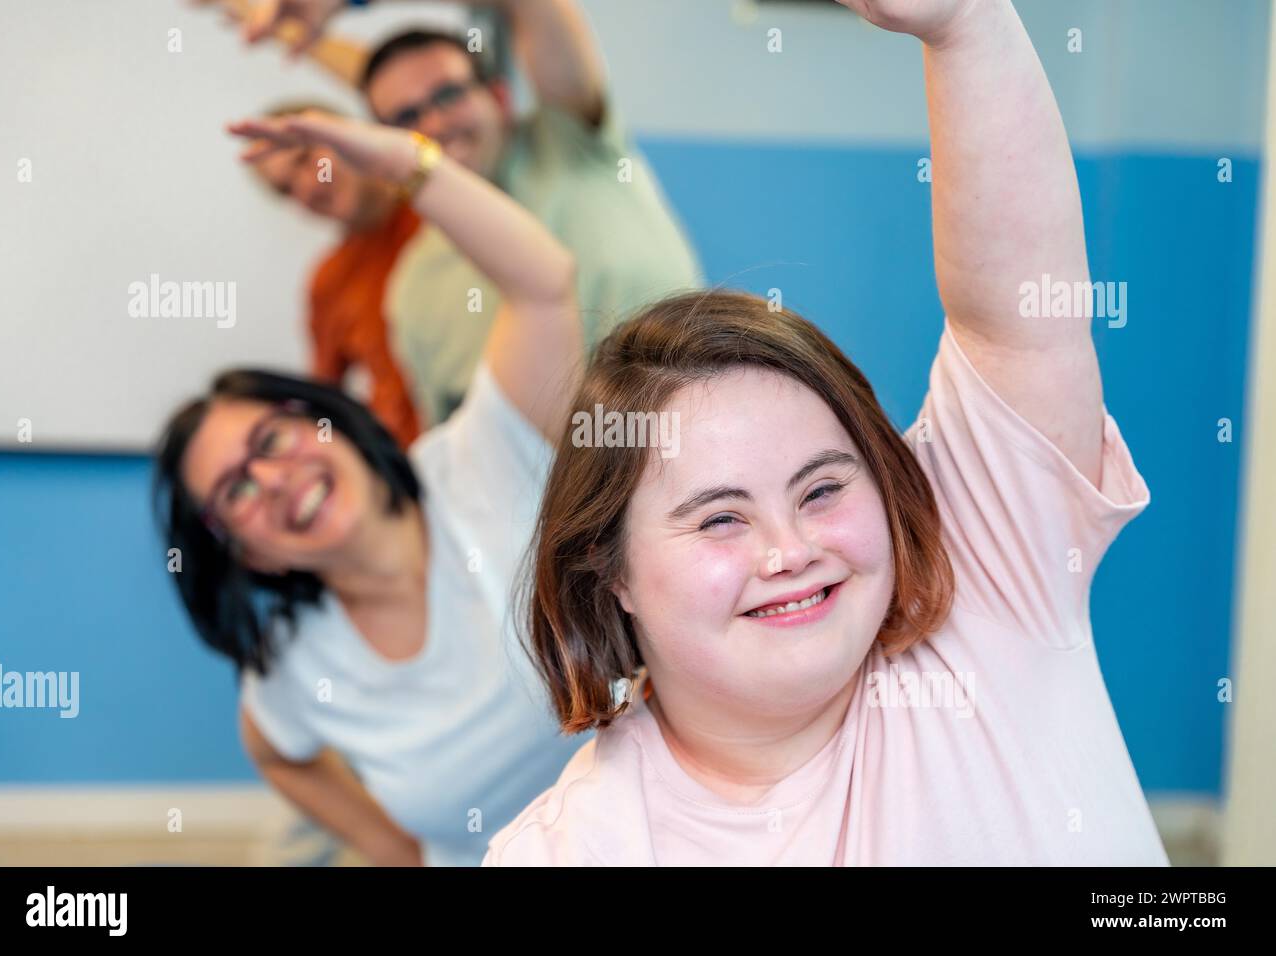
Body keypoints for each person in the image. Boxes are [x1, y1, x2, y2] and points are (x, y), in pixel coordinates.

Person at [484, 0, 1170, 866]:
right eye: (720, 518)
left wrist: (964, 24)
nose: (791, 549)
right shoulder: (570, 850)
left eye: (822, 489)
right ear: (611, 571)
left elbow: (1014, 325)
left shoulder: (992, 584)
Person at [154, 111, 584, 866]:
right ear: (246, 552)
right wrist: (393, 850)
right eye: (235, 493)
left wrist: (406, 163)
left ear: (329, 422)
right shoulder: (293, 665)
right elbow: (277, 751)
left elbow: (545, 285)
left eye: (271, 441)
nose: (274, 481)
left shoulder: (484, 453)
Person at [220, 0, 703, 426]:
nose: (433, 123)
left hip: (705, 434)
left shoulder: (572, 145)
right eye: (406, 118)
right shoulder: (413, 291)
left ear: (498, 96)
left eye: (448, 95)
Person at [250, 103, 425, 449]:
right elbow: (324, 402)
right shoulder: (329, 281)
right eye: (285, 189)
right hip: (415, 465)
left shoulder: (444, 206)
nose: (307, 189)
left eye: (304, 159)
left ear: (348, 135)